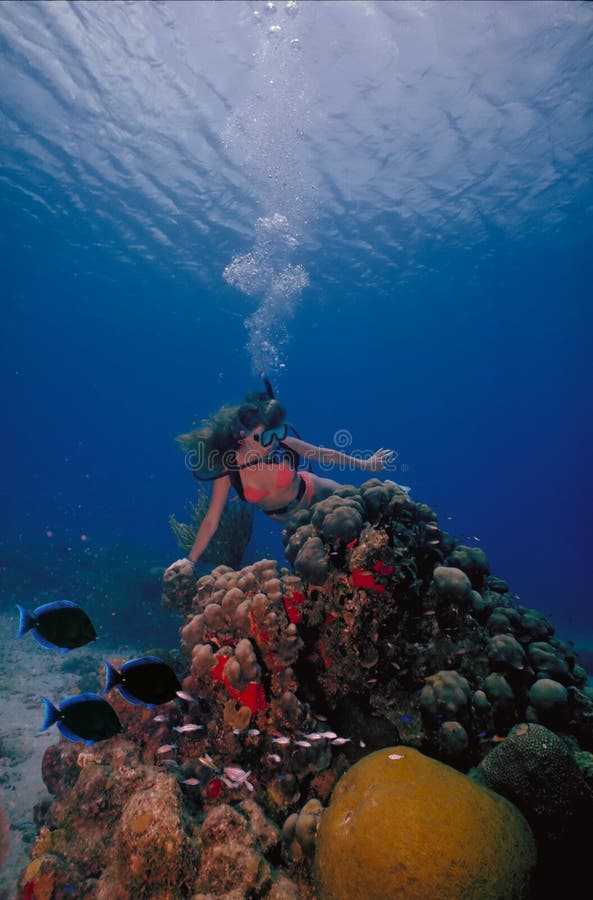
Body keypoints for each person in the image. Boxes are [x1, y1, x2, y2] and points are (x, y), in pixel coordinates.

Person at [168, 384, 394, 573]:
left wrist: (366, 464)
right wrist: (190, 560)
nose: (271, 443)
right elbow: (211, 520)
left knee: (364, 507)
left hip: (316, 490)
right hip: (295, 522)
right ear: (242, 436)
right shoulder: (229, 470)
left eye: (274, 434)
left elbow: (322, 454)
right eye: (263, 437)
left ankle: (391, 494)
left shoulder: (281, 443)